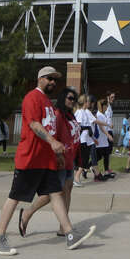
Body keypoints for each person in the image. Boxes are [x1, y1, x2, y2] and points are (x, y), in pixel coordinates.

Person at [0, 66, 95, 256]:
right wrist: (53, 142)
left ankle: (69, 234)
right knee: (15, 197)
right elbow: (34, 124)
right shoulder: (32, 98)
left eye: (55, 80)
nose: (53, 82)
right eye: (50, 78)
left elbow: (51, 129)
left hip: (47, 160)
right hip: (30, 159)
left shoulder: (48, 103)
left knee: (55, 194)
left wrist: (58, 155)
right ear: (40, 79)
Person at [19, 86, 81, 237]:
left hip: (69, 160)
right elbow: (53, 136)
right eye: (70, 98)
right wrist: (57, 156)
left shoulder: (70, 116)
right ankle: (27, 213)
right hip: (59, 159)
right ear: (63, 98)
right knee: (53, 193)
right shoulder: (58, 115)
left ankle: (63, 227)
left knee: (67, 192)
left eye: (74, 99)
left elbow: (74, 138)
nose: (72, 101)